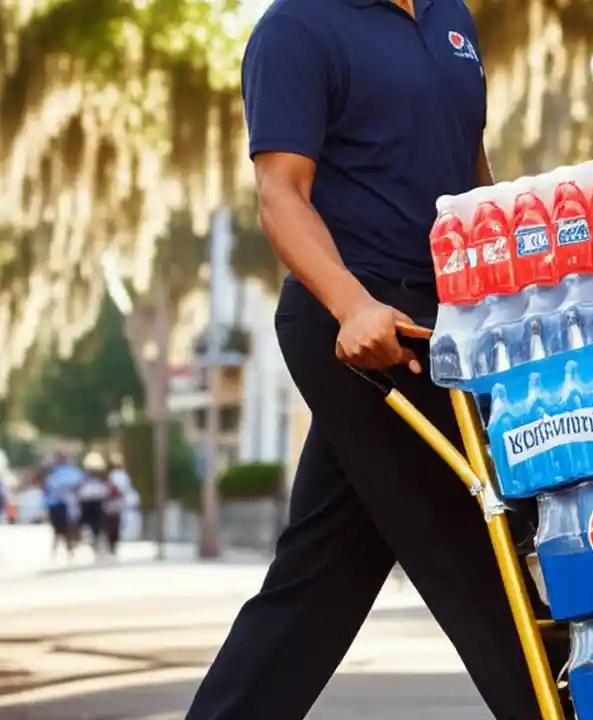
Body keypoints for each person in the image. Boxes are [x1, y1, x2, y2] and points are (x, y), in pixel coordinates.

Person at [188, 2, 549, 719]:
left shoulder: (453, 18)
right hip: (362, 326)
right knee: (478, 550)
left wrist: (511, 296)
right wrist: (352, 305)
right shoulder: (298, 27)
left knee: (323, 573)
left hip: (446, 321)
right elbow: (279, 193)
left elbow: (471, 175)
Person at [42, 453, 83, 561]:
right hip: (55, 504)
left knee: (67, 527)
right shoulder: (53, 473)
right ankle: (57, 551)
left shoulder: (72, 472)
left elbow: (79, 485)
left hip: (67, 504)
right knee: (57, 529)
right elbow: (48, 489)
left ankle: (69, 549)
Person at [78, 452, 110, 555]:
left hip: (96, 500)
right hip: (87, 500)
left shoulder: (101, 476)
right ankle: (90, 538)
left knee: (97, 523)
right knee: (87, 522)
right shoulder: (85, 476)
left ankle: (97, 540)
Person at [103, 454, 133, 555]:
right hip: (119, 502)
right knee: (116, 523)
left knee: (111, 523)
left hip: (112, 502)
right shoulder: (124, 476)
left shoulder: (111, 475)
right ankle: (114, 543)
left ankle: (112, 543)